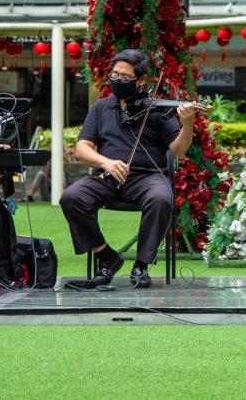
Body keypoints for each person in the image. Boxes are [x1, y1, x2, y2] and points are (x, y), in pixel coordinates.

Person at [59, 50, 196, 289]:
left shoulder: (156, 110)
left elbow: (178, 150)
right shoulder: (101, 108)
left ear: (141, 81)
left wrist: (188, 124)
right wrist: (106, 162)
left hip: (147, 177)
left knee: (161, 198)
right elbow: (82, 148)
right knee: (71, 197)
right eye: (114, 74)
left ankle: (141, 266)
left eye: (124, 77)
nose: (117, 80)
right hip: (107, 175)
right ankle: (107, 257)